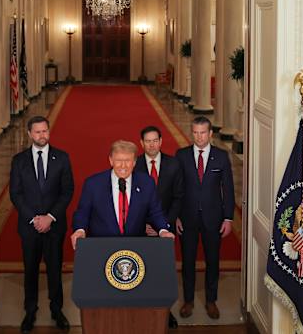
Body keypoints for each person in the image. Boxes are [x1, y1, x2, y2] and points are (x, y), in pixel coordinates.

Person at [9, 116, 74, 333]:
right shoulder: (19, 161)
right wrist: (34, 218)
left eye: (45, 131)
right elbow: (16, 194)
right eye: (37, 132)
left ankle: (57, 310)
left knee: (55, 269)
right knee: (30, 270)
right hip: (29, 227)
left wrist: (50, 217)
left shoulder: (62, 158)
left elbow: (67, 191)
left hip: (54, 226)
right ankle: (30, 311)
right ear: (29, 134)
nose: (42, 135)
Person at [175, 116, 235, 320]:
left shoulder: (221, 156)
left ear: (210, 134)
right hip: (187, 217)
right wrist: (176, 216)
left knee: (213, 260)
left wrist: (228, 218)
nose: (199, 137)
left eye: (203, 133)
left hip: (213, 218)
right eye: (195, 132)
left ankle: (211, 301)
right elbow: (177, 189)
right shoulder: (181, 155)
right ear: (192, 133)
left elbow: (228, 189)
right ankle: (188, 301)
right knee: (188, 261)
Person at [71, 140, 175, 249]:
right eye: (119, 160)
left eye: (127, 161)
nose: (123, 166)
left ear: (134, 162)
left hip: (135, 248)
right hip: (101, 247)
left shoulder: (146, 183)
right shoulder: (93, 184)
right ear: (111, 160)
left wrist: (163, 230)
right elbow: (83, 213)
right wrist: (80, 230)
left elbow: (156, 212)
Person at [136, 125, 184, 329]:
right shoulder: (134, 165)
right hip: (141, 228)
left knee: (164, 271)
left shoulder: (173, 165)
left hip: (166, 228)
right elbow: (132, 200)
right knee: (142, 268)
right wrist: (145, 224)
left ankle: (165, 311)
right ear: (141, 143)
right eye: (148, 141)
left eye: (155, 141)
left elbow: (178, 197)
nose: (152, 145)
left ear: (161, 141)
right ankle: (142, 307)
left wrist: (163, 225)